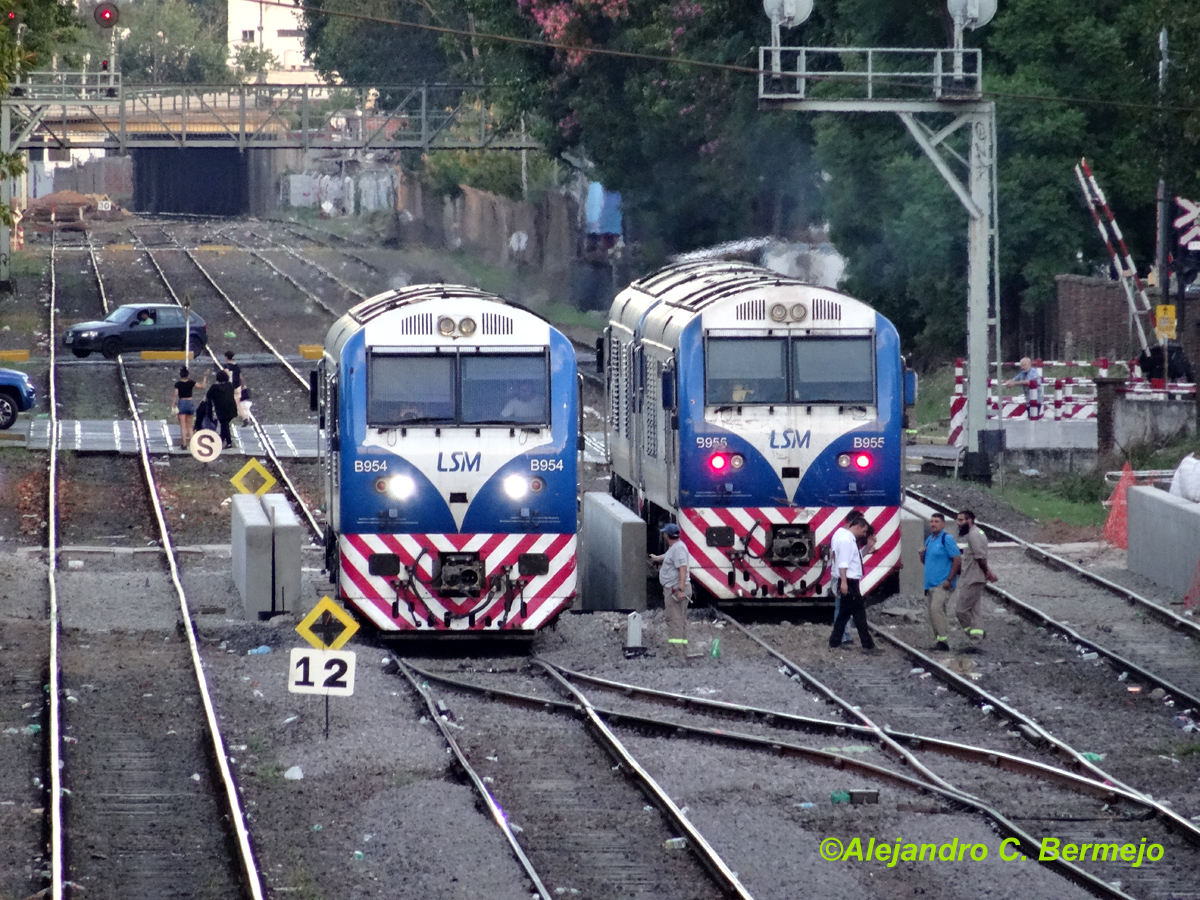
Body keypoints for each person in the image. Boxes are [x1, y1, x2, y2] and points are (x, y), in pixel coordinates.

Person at [828, 515, 876, 652]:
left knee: (843, 613)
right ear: (857, 526)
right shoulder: (846, 540)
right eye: (864, 531)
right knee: (859, 613)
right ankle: (868, 645)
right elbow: (843, 562)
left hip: (848, 580)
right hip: (849, 581)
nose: (864, 534)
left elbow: (853, 558)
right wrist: (843, 582)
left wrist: (867, 547)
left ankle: (834, 641)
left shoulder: (846, 537)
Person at [954, 509, 998, 649]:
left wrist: (987, 573)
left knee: (961, 610)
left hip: (973, 578)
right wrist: (988, 573)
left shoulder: (974, 535)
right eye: (958, 520)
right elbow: (980, 557)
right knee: (974, 611)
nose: (958, 523)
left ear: (969, 520)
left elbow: (980, 558)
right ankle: (976, 640)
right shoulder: (976, 533)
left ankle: (975, 636)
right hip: (973, 577)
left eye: (961, 520)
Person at [919, 513, 961, 652]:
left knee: (936, 609)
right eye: (931, 521)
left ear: (943, 524)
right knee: (934, 613)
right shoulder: (929, 540)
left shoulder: (946, 539)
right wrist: (922, 556)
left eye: (936, 521)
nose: (933, 524)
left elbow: (957, 559)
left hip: (943, 583)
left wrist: (949, 579)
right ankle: (940, 641)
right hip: (930, 584)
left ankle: (943, 641)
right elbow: (927, 562)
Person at [649, 523, 692, 657]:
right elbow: (668, 556)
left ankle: (676, 652)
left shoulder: (677, 549)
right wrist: (657, 558)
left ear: (667, 535)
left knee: (674, 621)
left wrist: (680, 589)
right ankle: (682, 649)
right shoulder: (676, 547)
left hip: (675, 590)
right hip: (675, 589)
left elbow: (682, 569)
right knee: (680, 620)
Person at [172, 366, 206, 450]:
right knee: (189, 426)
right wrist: (205, 377)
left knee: (183, 426)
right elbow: (202, 386)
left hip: (182, 403)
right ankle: (193, 444)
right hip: (190, 403)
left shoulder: (178, 384)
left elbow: (175, 394)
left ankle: (184, 444)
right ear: (188, 375)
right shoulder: (191, 382)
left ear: (180, 375)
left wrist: (173, 404)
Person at [206, 369, 239, 448]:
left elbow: (208, 396)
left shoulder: (214, 387)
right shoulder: (230, 385)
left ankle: (228, 442)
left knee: (224, 424)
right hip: (231, 408)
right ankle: (221, 439)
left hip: (221, 410)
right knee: (225, 424)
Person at [223, 350, 251, 426]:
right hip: (238, 387)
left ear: (226, 357)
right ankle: (244, 418)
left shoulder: (226, 366)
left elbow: (227, 375)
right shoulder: (236, 366)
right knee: (237, 404)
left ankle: (227, 419)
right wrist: (243, 385)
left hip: (230, 387)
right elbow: (240, 376)